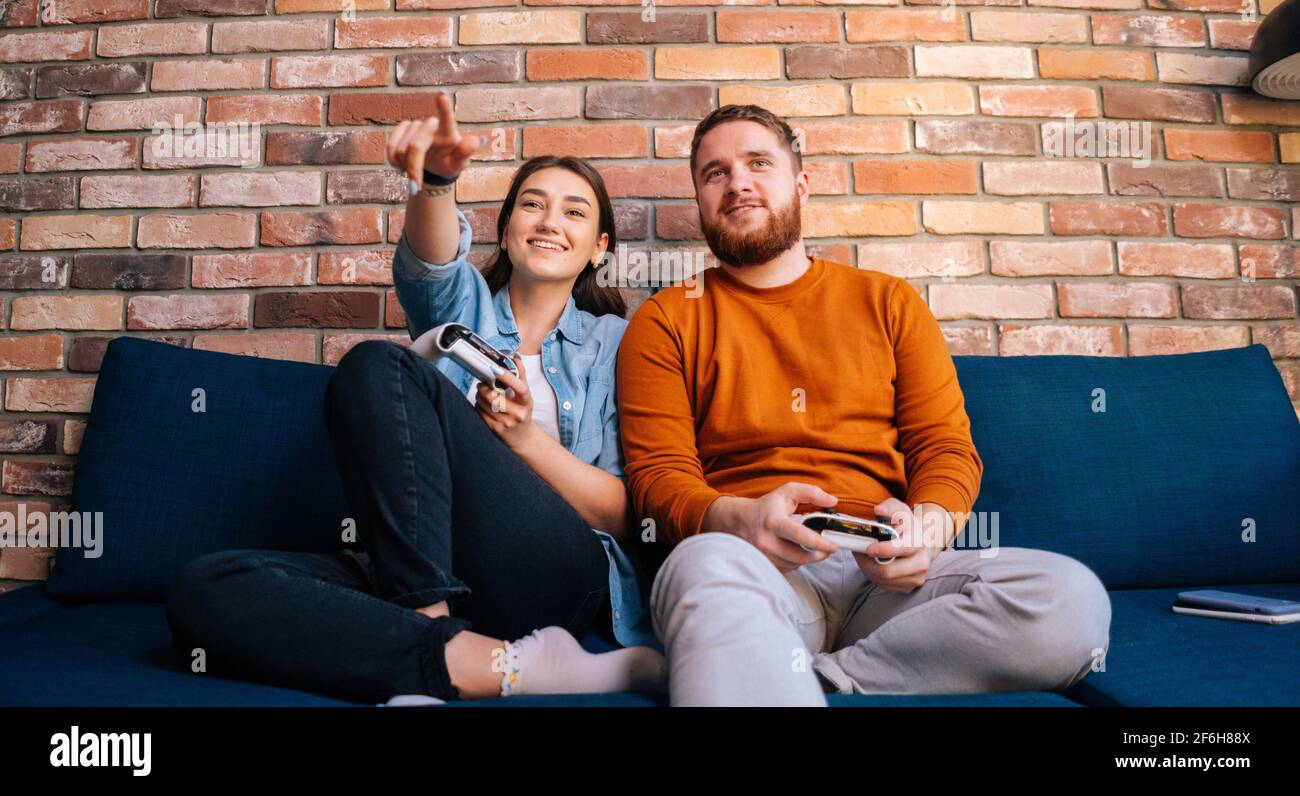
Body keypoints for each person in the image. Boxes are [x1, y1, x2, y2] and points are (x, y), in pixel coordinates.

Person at [167, 91, 664, 704]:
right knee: (207, 587)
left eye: (574, 212)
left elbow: (621, 513)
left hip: (550, 572)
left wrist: (524, 439)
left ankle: (422, 632)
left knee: (380, 363)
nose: (549, 221)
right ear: (506, 231)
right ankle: (471, 655)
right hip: (415, 565)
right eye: (531, 205)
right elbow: (431, 263)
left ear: (598, 249)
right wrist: (434, 184)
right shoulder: (465, 310)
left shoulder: (619, 344)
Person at [615, 103, 1112, 706]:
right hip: (755, 569)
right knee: (698, 566)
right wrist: (737, 520)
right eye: (714, 173)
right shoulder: (666, 319)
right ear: (699, 199)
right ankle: (773, 663)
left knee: (1069, 598)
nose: (737, 182)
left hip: (888, 578)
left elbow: (946, 450)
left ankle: (819, 677)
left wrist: (925, 533)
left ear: (801, 184)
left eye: (757, 163)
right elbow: (658, 480)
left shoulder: (888, 301)